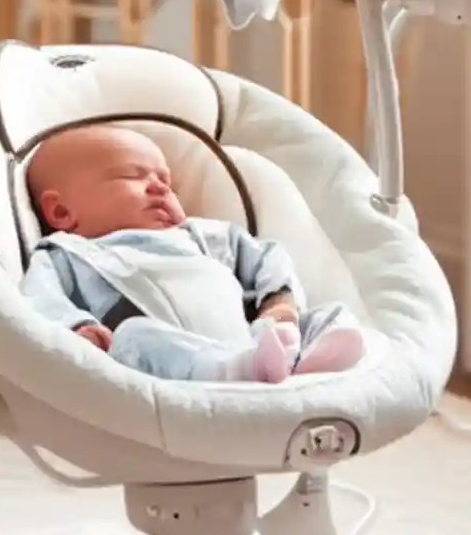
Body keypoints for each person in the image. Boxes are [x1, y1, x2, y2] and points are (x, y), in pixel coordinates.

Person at [19, 124, 363, 383]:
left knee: (332, 315)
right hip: (167, 362)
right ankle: (233, 369)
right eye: (132, 176)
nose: (159, 188)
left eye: (166, 181)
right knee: (135, 337)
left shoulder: (204, 235)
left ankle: (306, 359)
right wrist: (79, 328)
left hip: (250, 335)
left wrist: (279, 302)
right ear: (62, 212)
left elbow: (267, 257)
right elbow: (39, 299)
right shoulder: (67, 254)